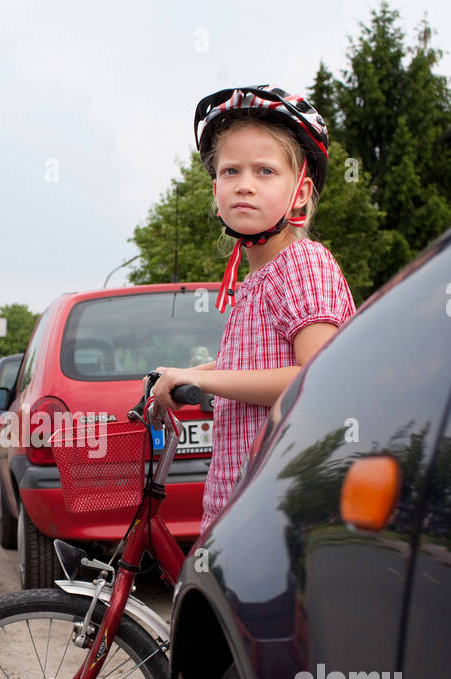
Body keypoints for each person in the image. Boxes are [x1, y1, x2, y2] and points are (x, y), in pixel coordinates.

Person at [149, 85, 357, 537]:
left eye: (265, 171)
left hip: (286, 509)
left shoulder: (303, 264)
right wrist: (187, 372)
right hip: (241, 503)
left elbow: (315, 377)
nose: (245, 183)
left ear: (300, 193)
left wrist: (202, 379)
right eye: (231, 171)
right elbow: (255, 367)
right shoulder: (258, 280)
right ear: (215, 188)